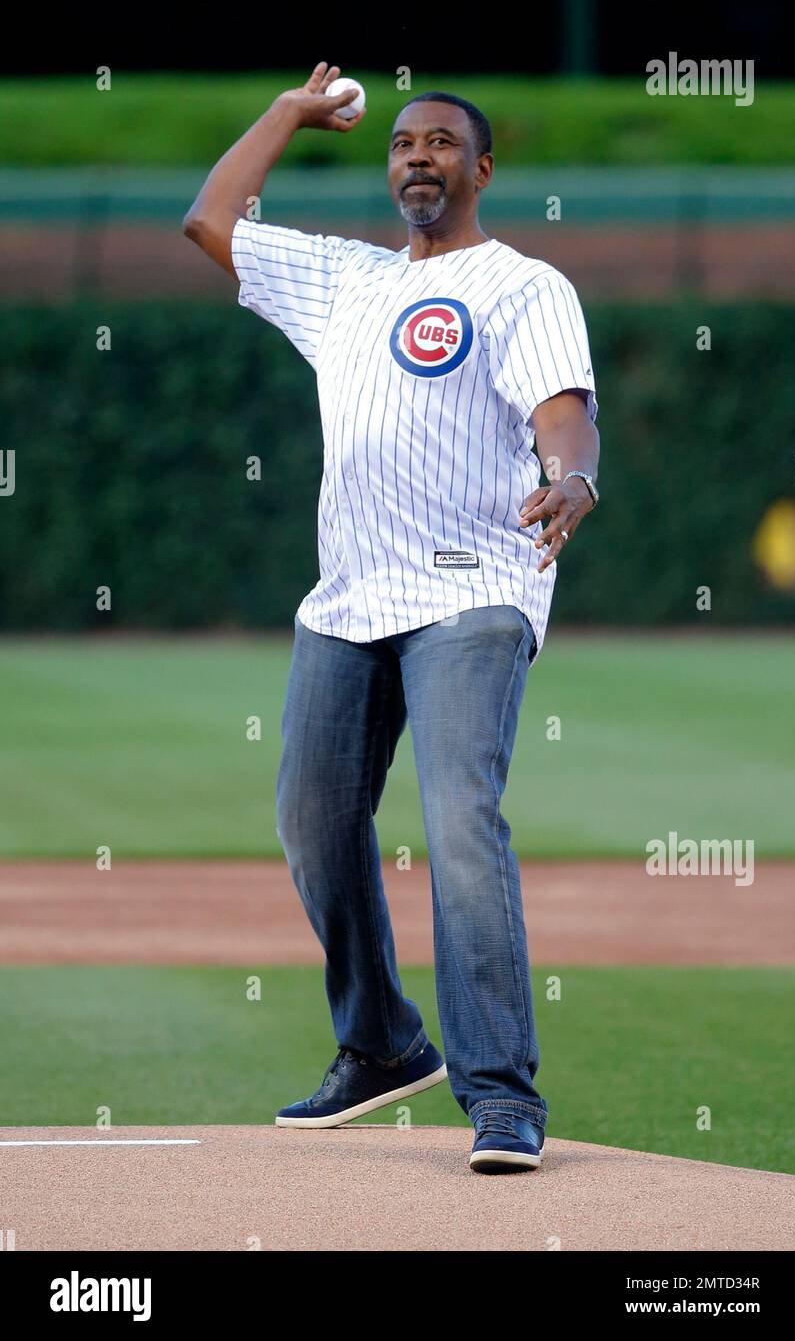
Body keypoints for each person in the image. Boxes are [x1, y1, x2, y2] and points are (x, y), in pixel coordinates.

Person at [183, 62, 600, 1174]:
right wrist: (285, 112)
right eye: (404, 144)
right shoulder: (342, 281)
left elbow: (565, 412)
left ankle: (502, 1096)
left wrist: (572, 478)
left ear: (482, 169)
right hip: (349, 599)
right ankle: (378, 1042)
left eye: (443, 143)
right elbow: (208, 218)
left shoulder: (523, 285)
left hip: (473, 588)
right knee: (313, 819)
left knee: (460, 824)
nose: (419, 155)